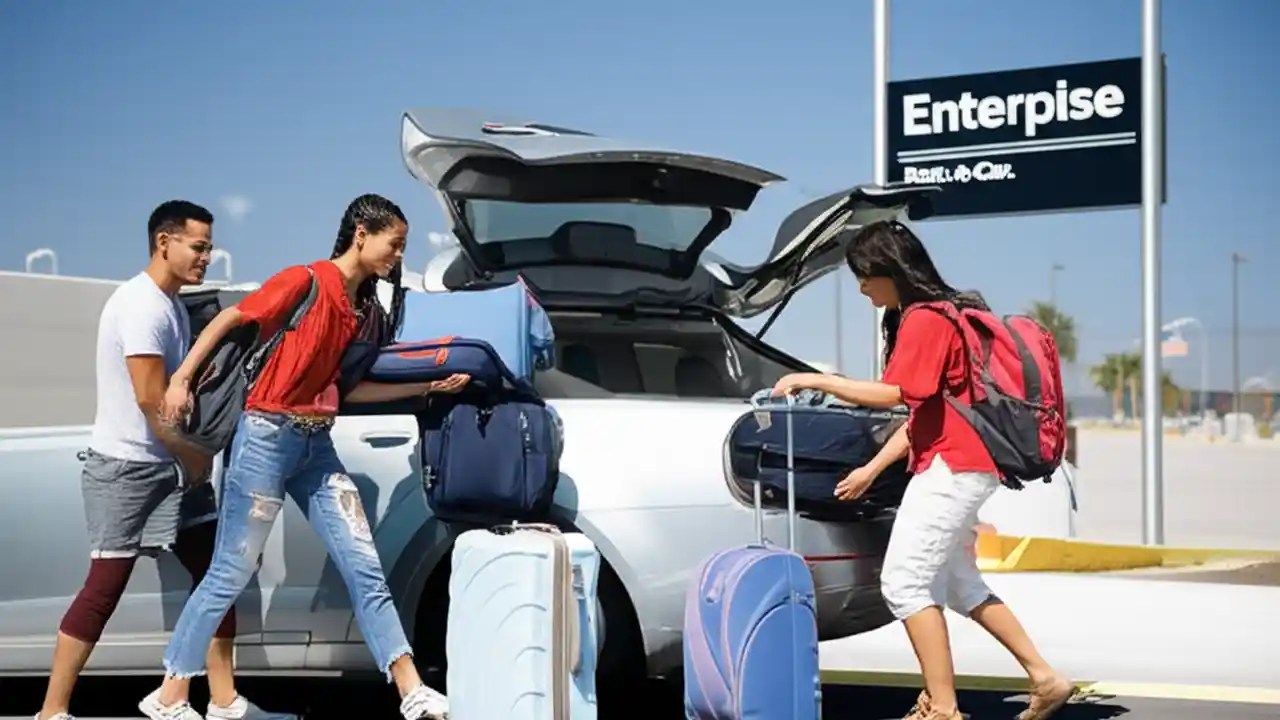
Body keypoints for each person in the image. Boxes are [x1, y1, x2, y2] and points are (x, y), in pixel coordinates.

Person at [137, 194, 466, 720]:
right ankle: (171, 691)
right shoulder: (304, 280)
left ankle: (410, 689)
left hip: (317, 447)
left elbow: (343, 391)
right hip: (265, 436)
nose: (398, 256)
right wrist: (180, 380)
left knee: (364, 565)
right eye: (395, 243)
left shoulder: (361, 309)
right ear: (362, 232)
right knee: (230, 569)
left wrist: (427, 389)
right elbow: (230, 321)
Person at [771, 220, 1074, 720]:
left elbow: (897, 395)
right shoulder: (940, 316)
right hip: (960, 464)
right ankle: (1045, 678)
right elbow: (924, 417)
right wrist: (871, 468)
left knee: (904, 583)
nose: (862, 287)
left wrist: (816, 379)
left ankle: (944, 709)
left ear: (892, 269)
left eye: (865, 275)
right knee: (960, 585)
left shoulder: (927, 318)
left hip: (954, 469)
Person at [35, 200, 289, 720]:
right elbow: (150, 398)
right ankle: (52, 712)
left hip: (173, 466)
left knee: (217, 573)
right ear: (163, 242)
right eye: (198, 247)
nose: (206, 257)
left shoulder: (172, 304)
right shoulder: (141, 306)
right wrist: (193, 454)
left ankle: (222, 702)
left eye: (209, 248)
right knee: (103, 589)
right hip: (128, 470)